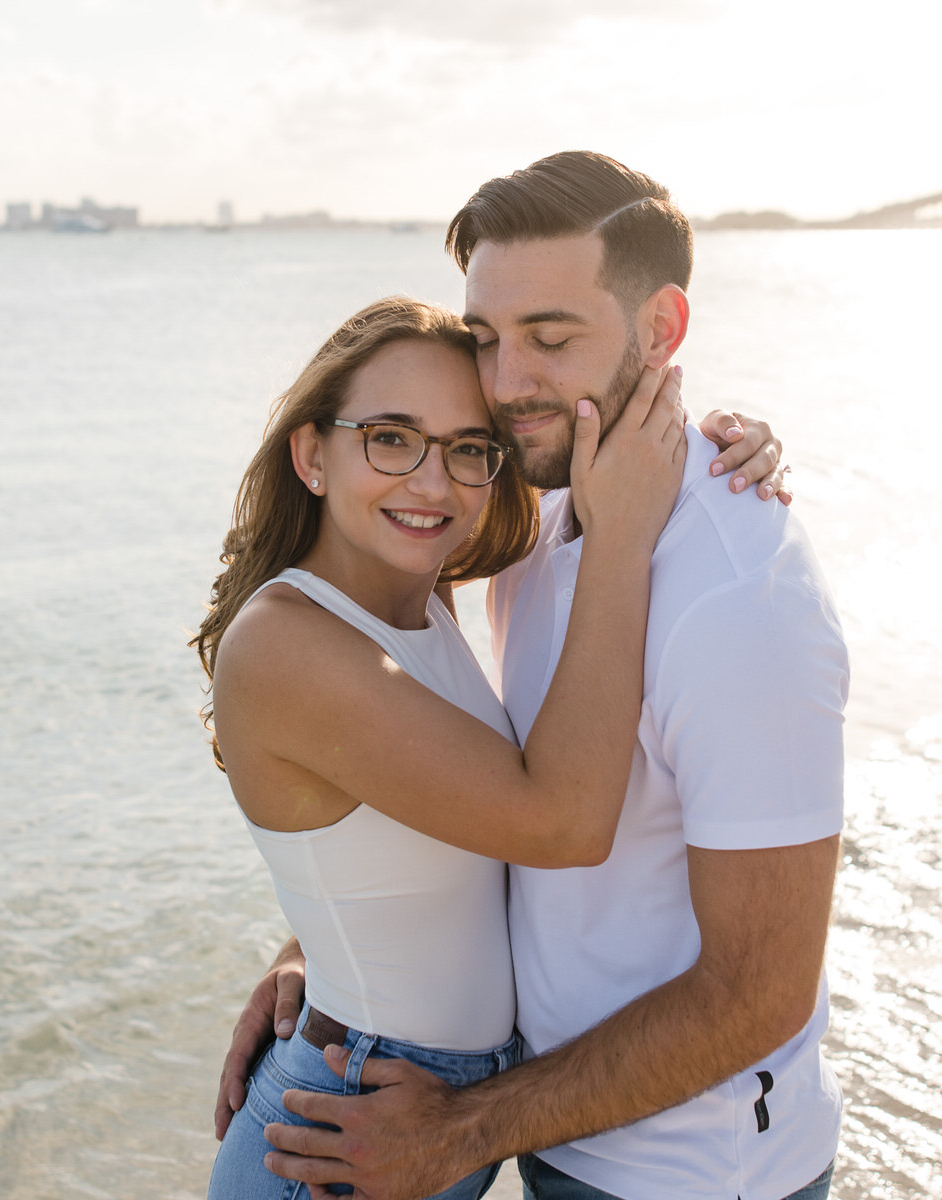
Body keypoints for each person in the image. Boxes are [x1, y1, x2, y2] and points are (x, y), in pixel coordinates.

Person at [238, 152, 848, 1200]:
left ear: (661, 330)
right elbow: (423, 777)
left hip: (690, 1174)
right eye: (487, 338)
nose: (509, 382)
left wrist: (462, 1128)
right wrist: (326, 955)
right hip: (548, 1135)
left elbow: (760, 993)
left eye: (551, 338)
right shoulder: (539, 517)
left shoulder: (739, 595)